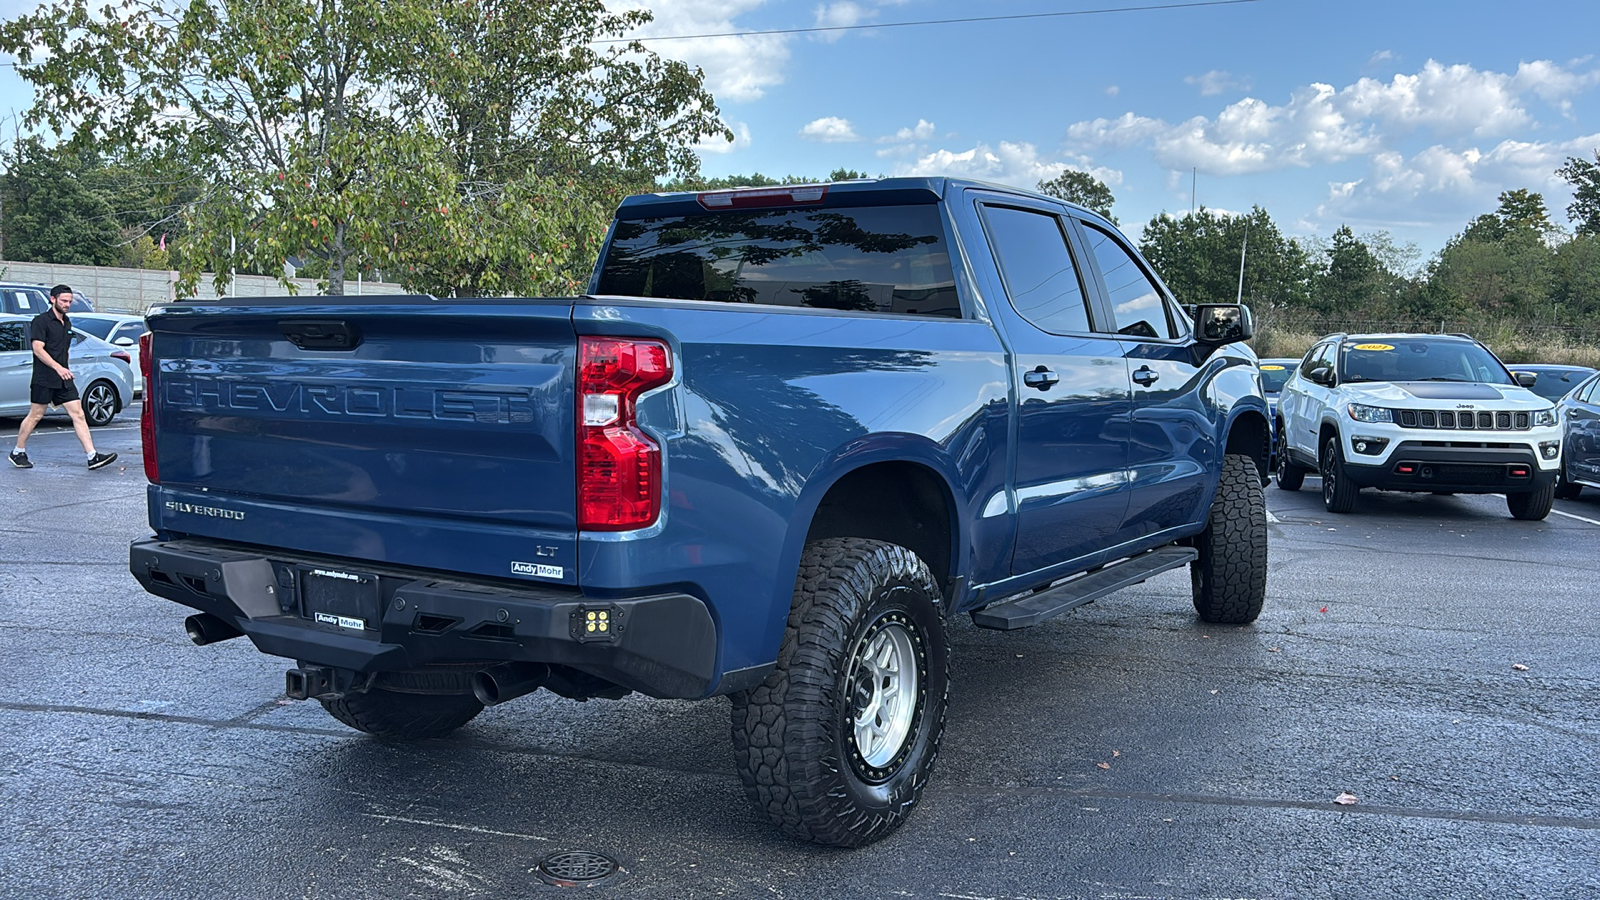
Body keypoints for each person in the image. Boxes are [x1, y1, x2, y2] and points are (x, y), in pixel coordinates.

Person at [8, 284, 118, 470]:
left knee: (79, 414)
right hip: (44, 378)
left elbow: (64, 350)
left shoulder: (66, 322)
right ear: (53, 299)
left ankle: (92, 456)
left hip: (64, 378)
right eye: (63, 301)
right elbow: (37, 349)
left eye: (69, 301)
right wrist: (58, 368)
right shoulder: (41, 321)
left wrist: (65, 368)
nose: (67, 304)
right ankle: (18, 451)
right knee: (36, 415)